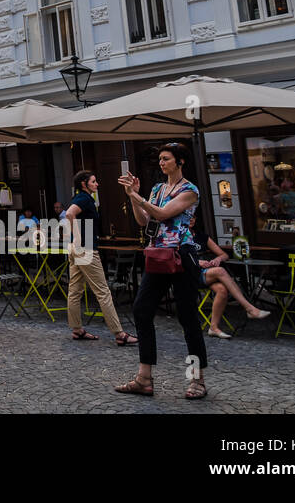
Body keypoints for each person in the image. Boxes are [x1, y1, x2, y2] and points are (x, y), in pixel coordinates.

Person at [115, 142, 209, 399]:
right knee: (142, 310)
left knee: (188, 318)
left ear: (180, 162)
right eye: (160, 159)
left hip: (182, 255)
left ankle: (196, 380)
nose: (161, 163)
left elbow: (164, 214)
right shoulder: (157, 188)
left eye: (166, 159)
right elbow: (144, 220)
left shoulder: (190, 190)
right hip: (157, 255)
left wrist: (135, 196)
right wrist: (133, 197)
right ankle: (144, 378)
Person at [62, 171, 137, 346]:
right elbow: (69, 214)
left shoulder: (82, 197)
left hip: (76, 248)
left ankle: (77, 329)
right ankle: (119, 334)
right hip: (85, 250)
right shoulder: (84, 199)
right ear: (84, 184)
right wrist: (79, 238)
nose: (97, 184)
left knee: (75, 290)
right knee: (103, 292)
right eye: (94, 182)